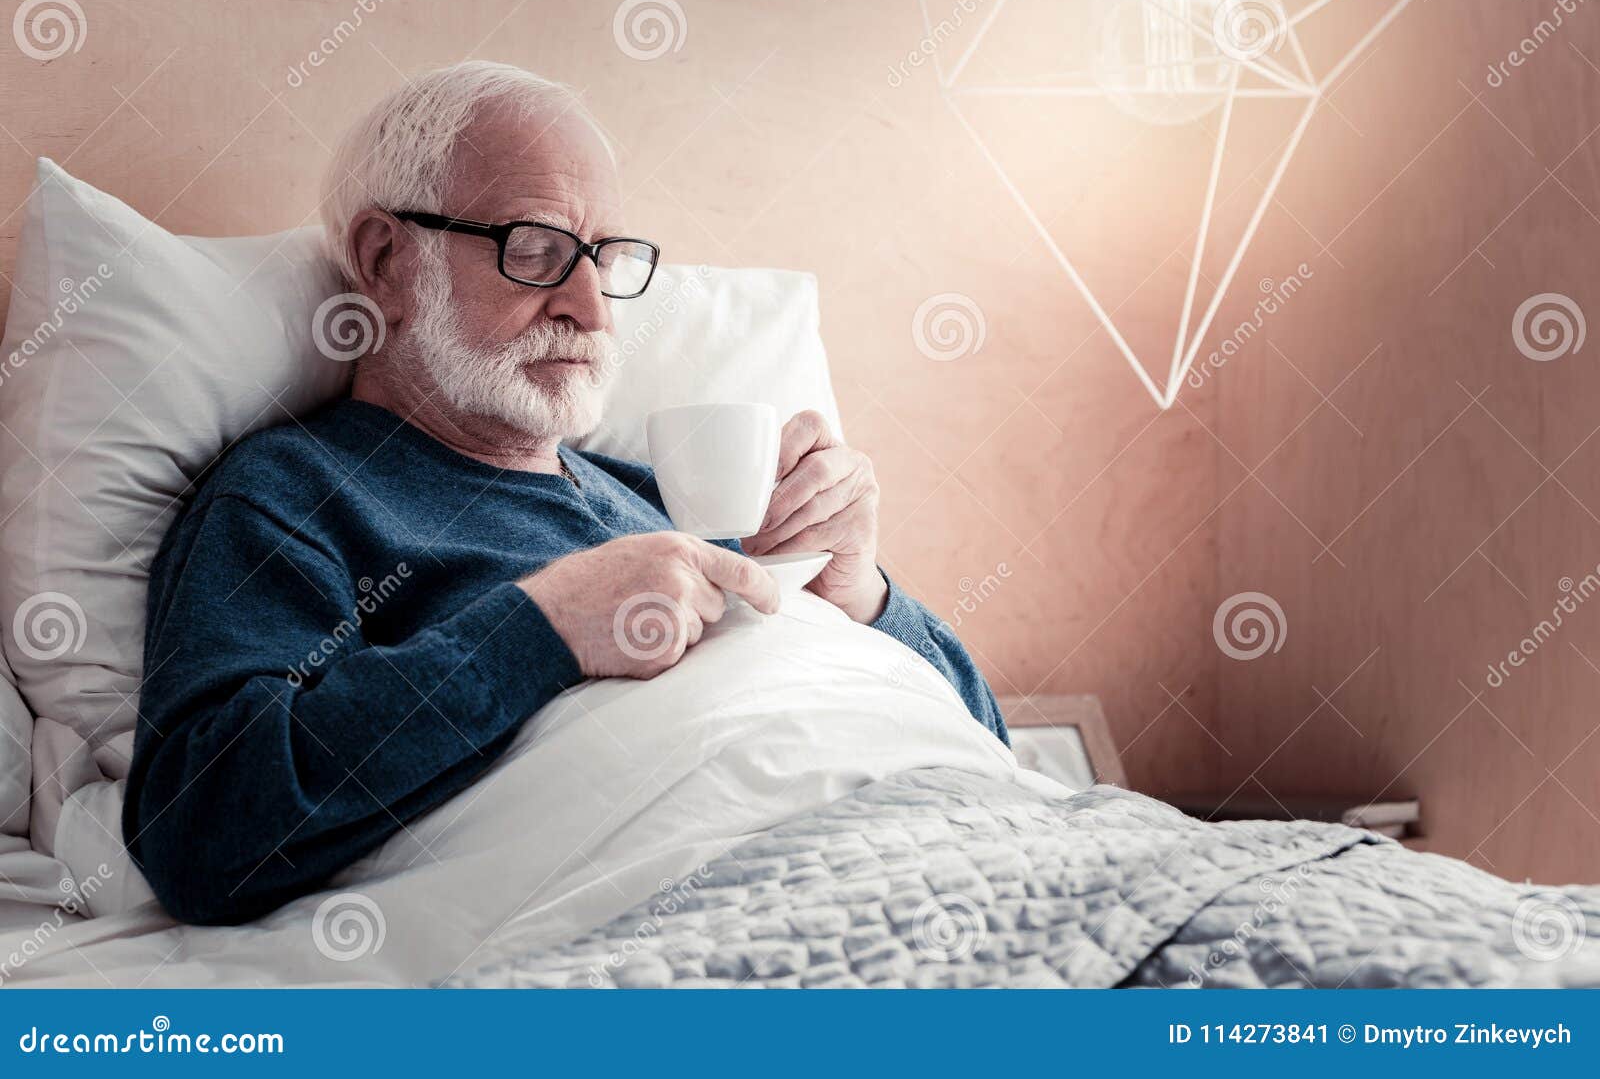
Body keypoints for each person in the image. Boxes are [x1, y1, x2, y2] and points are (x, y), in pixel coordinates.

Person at [124, 61, 1008, 925]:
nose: (590, 306)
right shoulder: (296, 492)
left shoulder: (669, 499)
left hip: (976, 841)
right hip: (738, 901)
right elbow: (198, 831)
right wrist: (541, 626)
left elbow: (986, 743)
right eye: (538, 250)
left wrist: (862, 593)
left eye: (606, 257)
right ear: (387, 261)